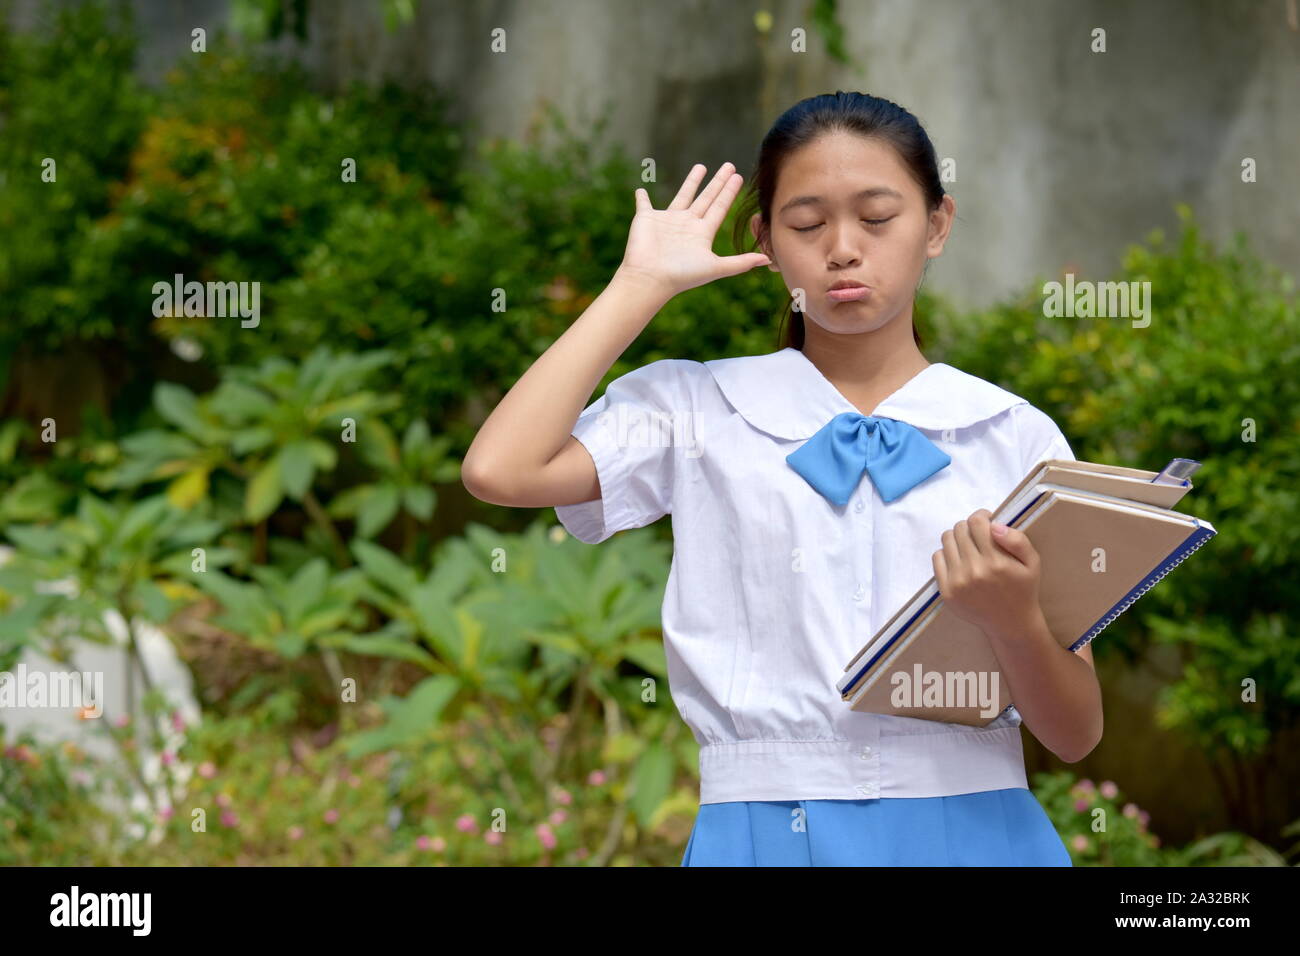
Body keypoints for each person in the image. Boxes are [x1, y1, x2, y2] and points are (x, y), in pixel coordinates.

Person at [463, 91, 1103, 866]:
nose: (842, 248)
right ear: (764, 238)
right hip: (762, 832)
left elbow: (1075, 734)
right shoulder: (694, 407)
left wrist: (1014, 622)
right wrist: (640, 284)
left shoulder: (1013, 435)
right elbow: (500, 470)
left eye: (877, 218)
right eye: (806, 224)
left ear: (937, 225)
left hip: (977, 834)